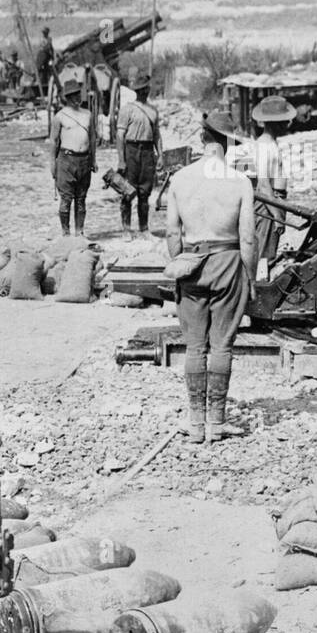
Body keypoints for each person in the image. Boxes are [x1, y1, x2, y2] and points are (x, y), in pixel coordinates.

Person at [163, 113, 256, 443]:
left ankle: (195, 424)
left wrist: (181, 262)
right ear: (229, 145)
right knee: (221, 345)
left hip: (191, 262)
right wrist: (251, 276)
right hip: (228, 260)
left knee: (194, 346)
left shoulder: (180, 179)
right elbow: (247, 238)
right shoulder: (240, 182)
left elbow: (172, 232)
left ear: (202, 140)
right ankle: (216, 423)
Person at [250, 94, 294, 269]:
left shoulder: (271, 144)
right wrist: (276, 215)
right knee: (263, 255)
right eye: (284, 121)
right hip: (269, 204)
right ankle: (256, 290)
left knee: (269, 250)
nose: (287, 124)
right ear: (274, 123)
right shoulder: (264, 146)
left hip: (275, 200)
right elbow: (263, 184)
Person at [115, 70, 161, 237]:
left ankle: (144, 228)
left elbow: (156, 134)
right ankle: (126, 229)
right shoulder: (127, 110)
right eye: (141, 89)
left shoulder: (153, 111)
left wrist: (160, 155)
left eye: (146, 89)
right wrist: (121, 160)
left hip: (147, 152)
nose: (144, 92)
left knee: (145, 192)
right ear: (136, 91)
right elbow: (120, 135)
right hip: (131, 150)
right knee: (127, 191)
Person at [52, 79, 93, 237]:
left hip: (84, 160)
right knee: (66, 199)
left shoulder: (87, 114)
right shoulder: (60, 116)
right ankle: (66, 232)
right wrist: (52, 165)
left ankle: (79, 231)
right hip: (66, 160)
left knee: (81, 199)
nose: (77, 97)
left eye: (78, 94)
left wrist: (93, 160)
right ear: (67, 97)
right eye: (73, 95)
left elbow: (92, 138)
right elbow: (54, 142)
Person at [35, 27, 55, 101]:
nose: (44, 33)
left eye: (46, 32)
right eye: (44, 32)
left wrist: (52, 56)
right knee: (39, 68)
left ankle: (46, 83)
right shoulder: (41, 39)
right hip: (42, 54)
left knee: (47, 70)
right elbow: (42, 49)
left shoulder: (49, 39)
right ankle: (39, 82)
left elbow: (51, 48)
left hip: (47, 55)